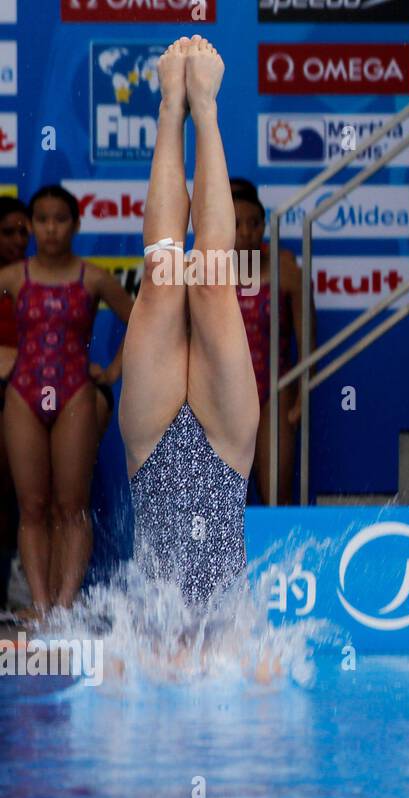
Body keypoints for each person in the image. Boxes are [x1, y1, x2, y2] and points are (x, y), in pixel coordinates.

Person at [120, 35, 259, 606]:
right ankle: (201, 109)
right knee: (211, 280)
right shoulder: (232, 655)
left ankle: (171, 109)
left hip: (152, 452)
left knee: (161, 282)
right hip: (225, 452)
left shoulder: (157, 658)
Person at [0, 186, 133, 614]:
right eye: (41, 220)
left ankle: (66, 604)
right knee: (33, 507)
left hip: (74, 391)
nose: (51, 228)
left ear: (75, 225)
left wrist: (113, 370)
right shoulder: (12, 277)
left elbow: (145, 320)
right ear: (31, 225)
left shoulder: (93, 277)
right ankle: (41, 606)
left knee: (71, 506)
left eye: (60, 219)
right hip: (23, 393)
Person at [230, 181, 312, 506]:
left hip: (273, 391)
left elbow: (307, 339)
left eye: (254, 223)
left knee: (275, 493)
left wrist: (303, 393)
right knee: (223, 500)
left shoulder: (287, 272)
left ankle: (281, 558)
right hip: (219, 394)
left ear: (265, 225)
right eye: (236, 223)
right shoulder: (204, 273)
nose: (247, 232)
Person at [0, 195, 27, 611]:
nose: (19, 239)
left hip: (25, 390)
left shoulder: (34, 278)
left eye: (25, 231)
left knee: (21, 494)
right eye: (9, 231)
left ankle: (16, 584)